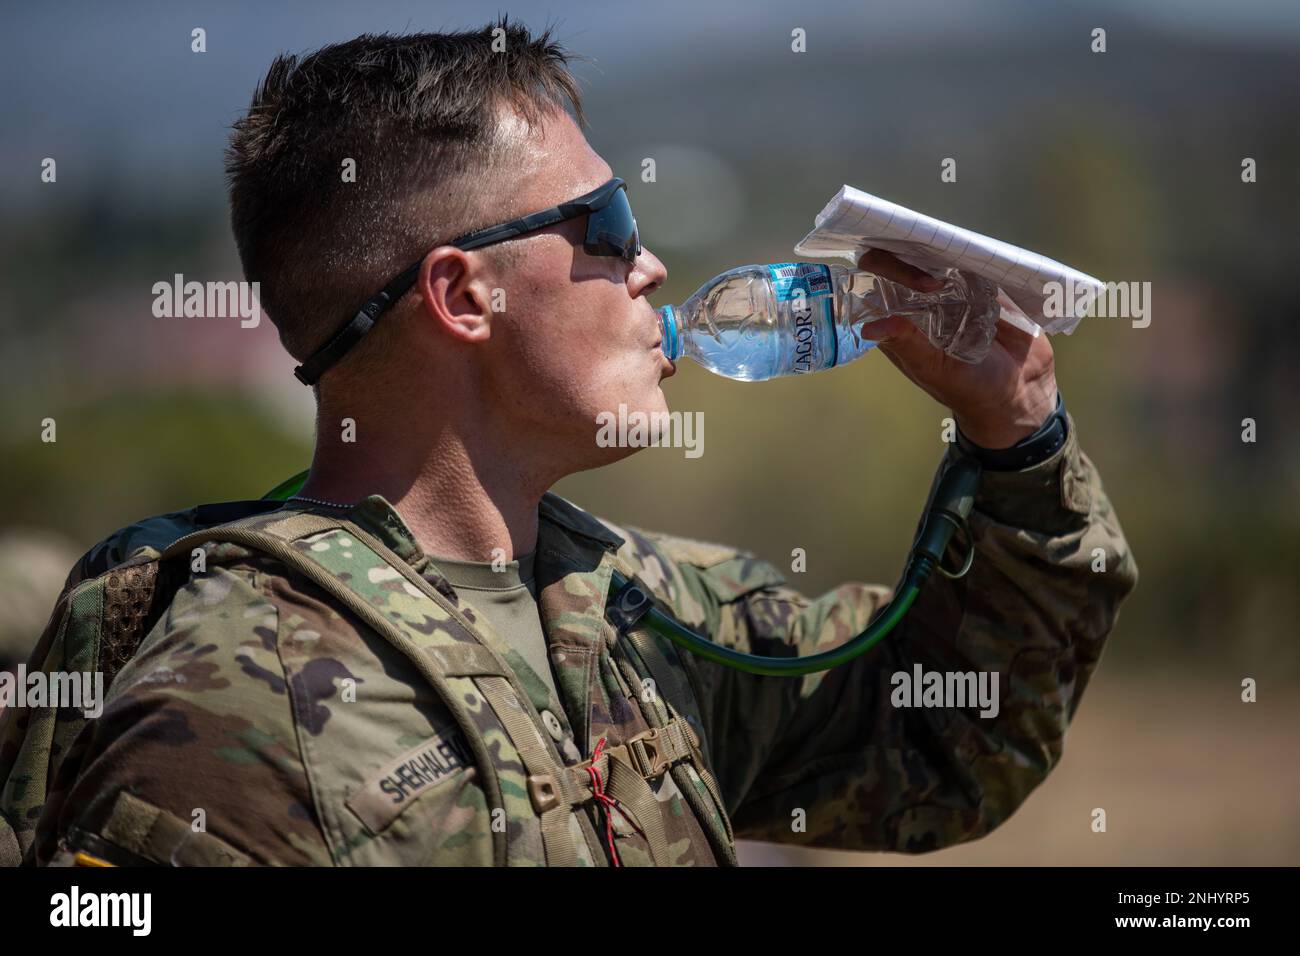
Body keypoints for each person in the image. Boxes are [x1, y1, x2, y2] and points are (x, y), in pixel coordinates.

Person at [30, 18, 1137, 866]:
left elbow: (947, 737)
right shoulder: (224, 708)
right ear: (464, 295)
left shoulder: (634, 606)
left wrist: (1014, 436)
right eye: (605, 227)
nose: (649, 265)